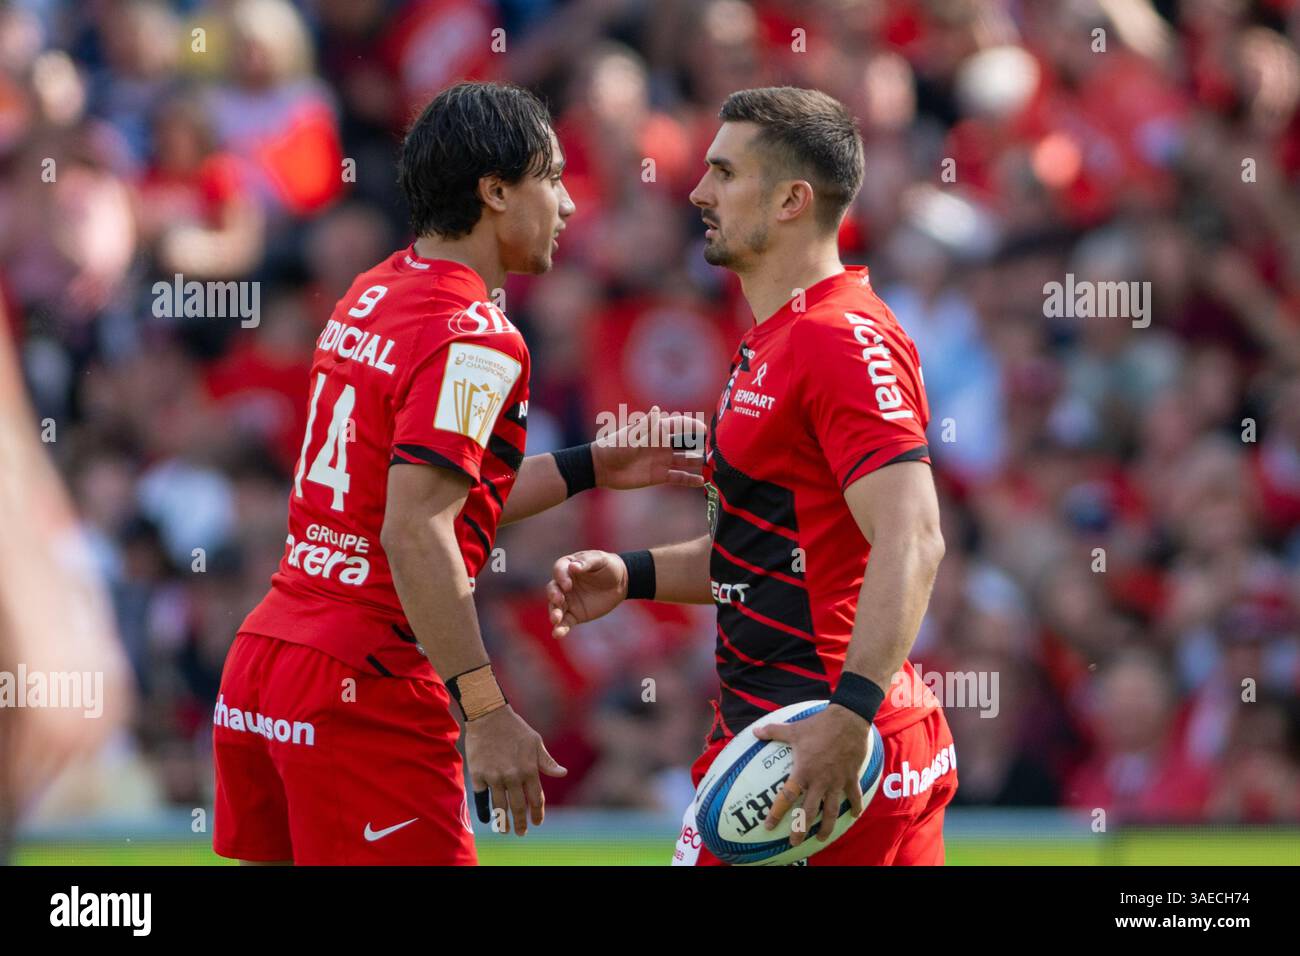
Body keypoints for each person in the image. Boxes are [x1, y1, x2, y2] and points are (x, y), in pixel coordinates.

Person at [212, 81, 701, 865]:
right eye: (553, 179)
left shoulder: (371, 292)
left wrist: (590, 467)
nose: (569, 206)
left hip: (269, 660)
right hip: (362, 679)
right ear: (497, 191)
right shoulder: (476, 339)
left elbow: (415, 500)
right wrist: (485, 706)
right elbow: (414, 529)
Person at [546, 87, 956, 865]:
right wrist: (631, 575)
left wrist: (850, 716)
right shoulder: (773, 339)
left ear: (793, 199)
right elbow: (778, 557)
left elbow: (915, 535)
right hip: (816, 728)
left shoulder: (838, 337)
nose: (699, 192)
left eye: (724, 173)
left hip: (813, 741)